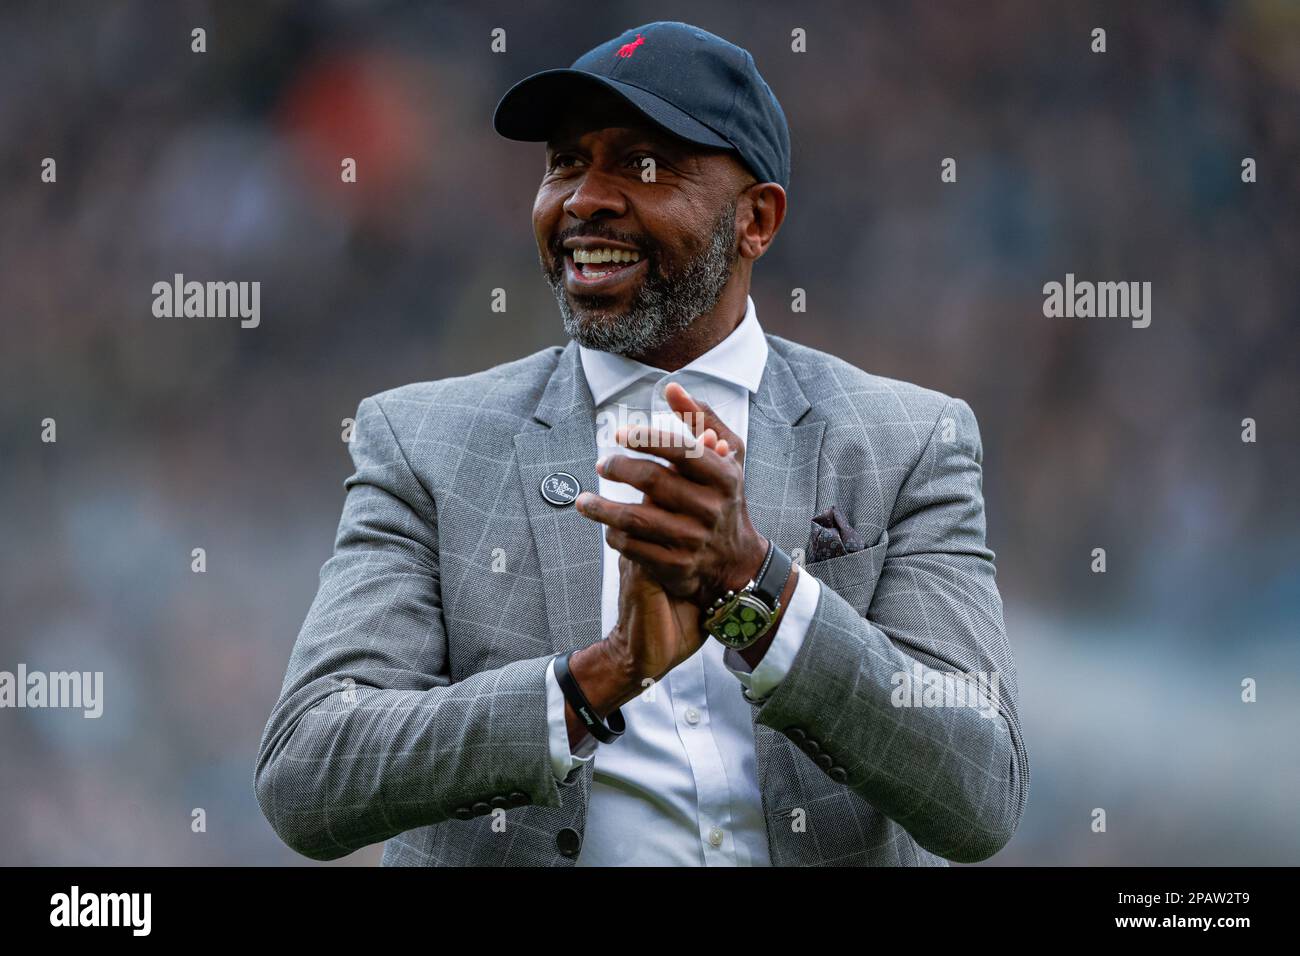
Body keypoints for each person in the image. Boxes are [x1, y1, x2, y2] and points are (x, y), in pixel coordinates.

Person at [255, 20, 1029, 866]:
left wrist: (756, 591)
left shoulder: (908, 440)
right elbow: (308, 771)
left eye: (640, 165)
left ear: (757, 221)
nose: (584, 197)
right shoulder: (421, 442)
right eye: (565, 162)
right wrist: (593, 684)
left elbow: (979, 792)